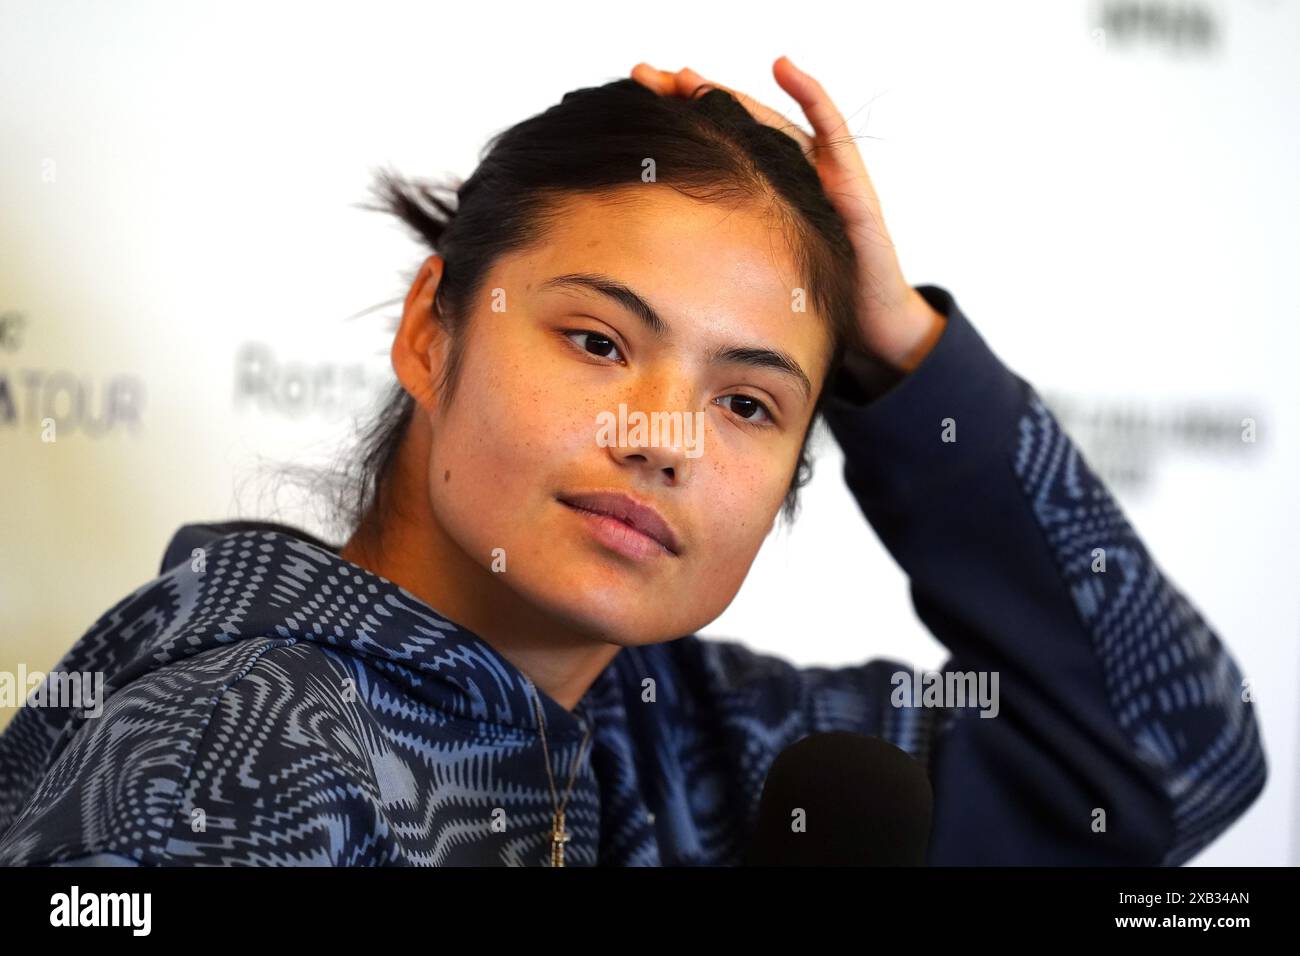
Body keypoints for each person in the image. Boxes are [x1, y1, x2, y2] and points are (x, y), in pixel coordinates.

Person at [0, 58, 1266, 866]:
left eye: (751, 403)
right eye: (600, 340)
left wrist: (903, 357)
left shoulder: (704, 741)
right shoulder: (235, 760)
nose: (663, 438)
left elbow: (1166, 748)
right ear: (430, 330)